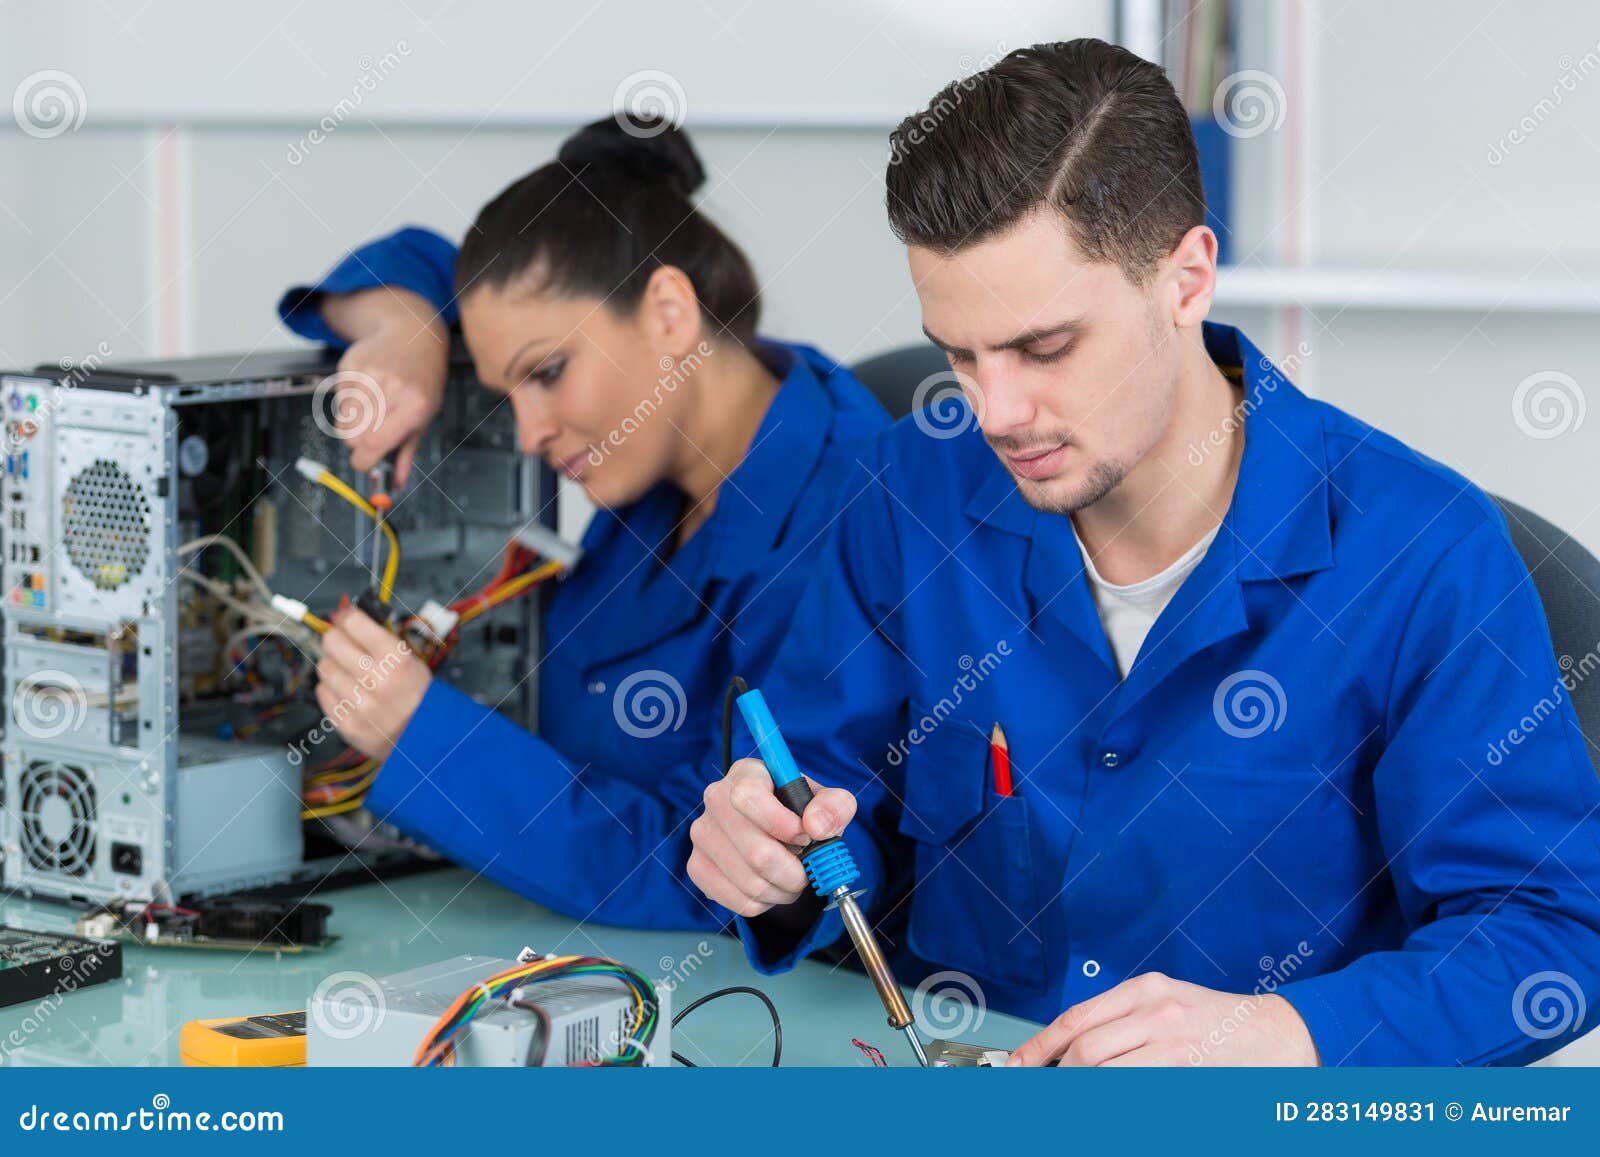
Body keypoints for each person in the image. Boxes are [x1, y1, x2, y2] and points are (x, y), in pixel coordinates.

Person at [688, 39, 1600, 1066]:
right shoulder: (906, 491)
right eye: (959, 353)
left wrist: (1287, 1028)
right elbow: (819, 784)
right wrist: (769, 850)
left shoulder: (1424, 553)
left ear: (1186, 277)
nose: (995, 411)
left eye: (1044, 348)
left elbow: (1547, 936)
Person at [279, 116, 887, 928]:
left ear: (670, 312)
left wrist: (427, 737)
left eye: (547, 373)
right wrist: (408, 328)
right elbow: (419, 259)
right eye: (508, 394)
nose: (528, 434)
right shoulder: (665, 454)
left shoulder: (847, 515)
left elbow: (726, 878)